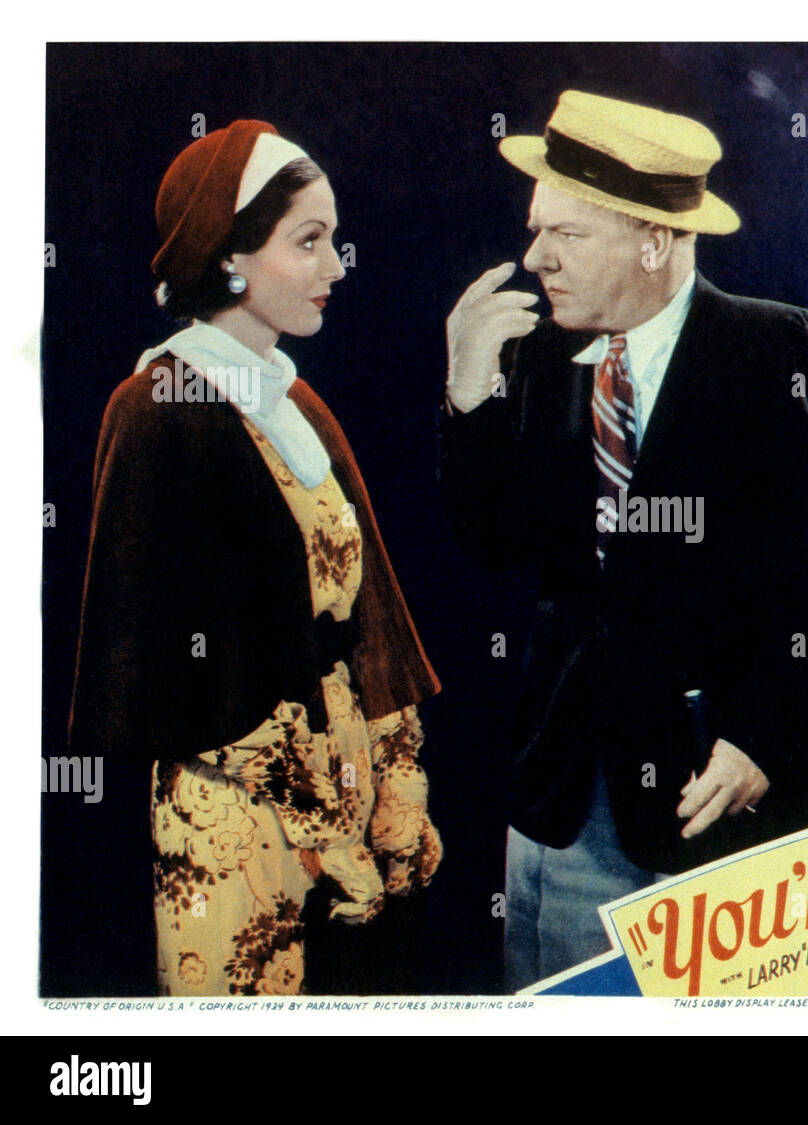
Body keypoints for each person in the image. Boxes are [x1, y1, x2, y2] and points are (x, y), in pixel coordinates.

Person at [438, 91, 808, 990]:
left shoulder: (774, 351)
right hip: (567, 793)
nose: (536, 258)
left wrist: (762, 738)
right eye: (538, 231)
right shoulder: (536, 358)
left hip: (724, 796)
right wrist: (466, 394)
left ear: (655, 240)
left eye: (565, 234)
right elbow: (490, 541)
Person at [68, 120, 443, 996]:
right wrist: (315, 825)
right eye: (307, 242)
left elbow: (370, 611)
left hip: (342, 780)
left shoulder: (297, 399)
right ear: (230, 257)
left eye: (333, 240)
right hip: (235, 815)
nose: (335, 267)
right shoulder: (156, 403)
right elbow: (158, 657)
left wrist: (395, 779)